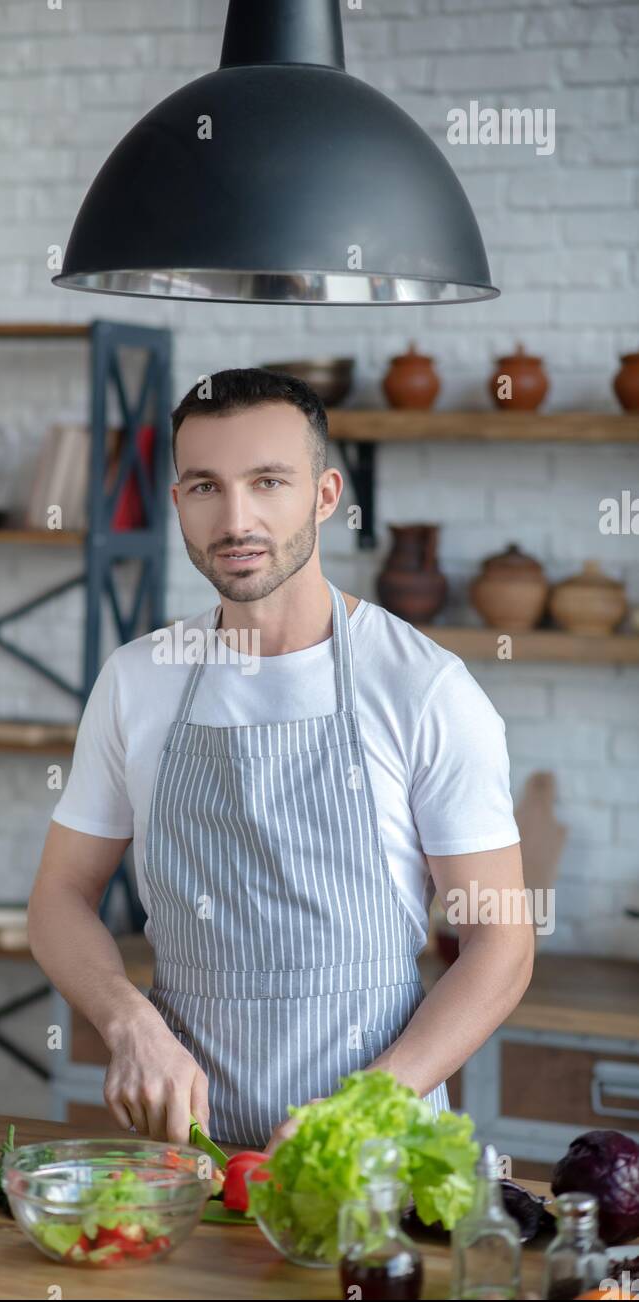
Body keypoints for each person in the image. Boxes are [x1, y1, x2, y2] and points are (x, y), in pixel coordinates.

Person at [29, 369, 533, 1152]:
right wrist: (129, 1022)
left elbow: (501, 940)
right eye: (205, 487)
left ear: (325, 494)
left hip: (372, 1152)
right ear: (178, 503)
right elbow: (60, 894)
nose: (237, 519)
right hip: (186, 1154)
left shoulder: (423, 686)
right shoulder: (138, 678)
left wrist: (372, 1104)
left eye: (268, 482)